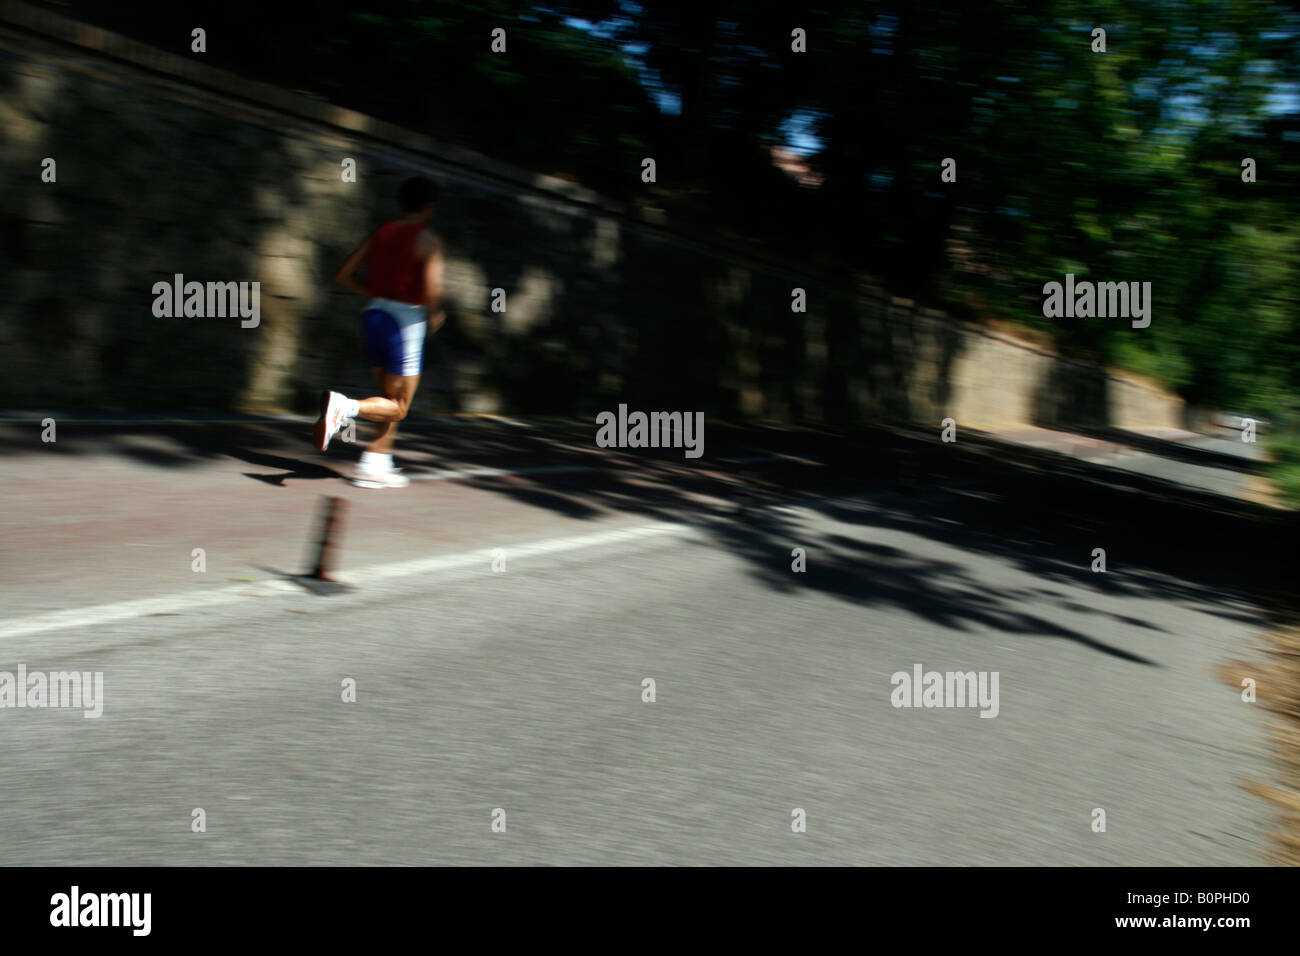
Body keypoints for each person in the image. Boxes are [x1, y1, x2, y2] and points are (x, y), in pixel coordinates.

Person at [313, 176, 446, 488]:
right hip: (405, 322)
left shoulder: (381, 232)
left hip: (373, 315)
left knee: (387, 398)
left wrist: (371, 292)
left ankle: (375, 465)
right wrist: (436, 313)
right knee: (399, 407)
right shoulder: (428, 240)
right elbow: (432, 288)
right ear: (429, 207)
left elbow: (343, 274)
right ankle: (344, 408)